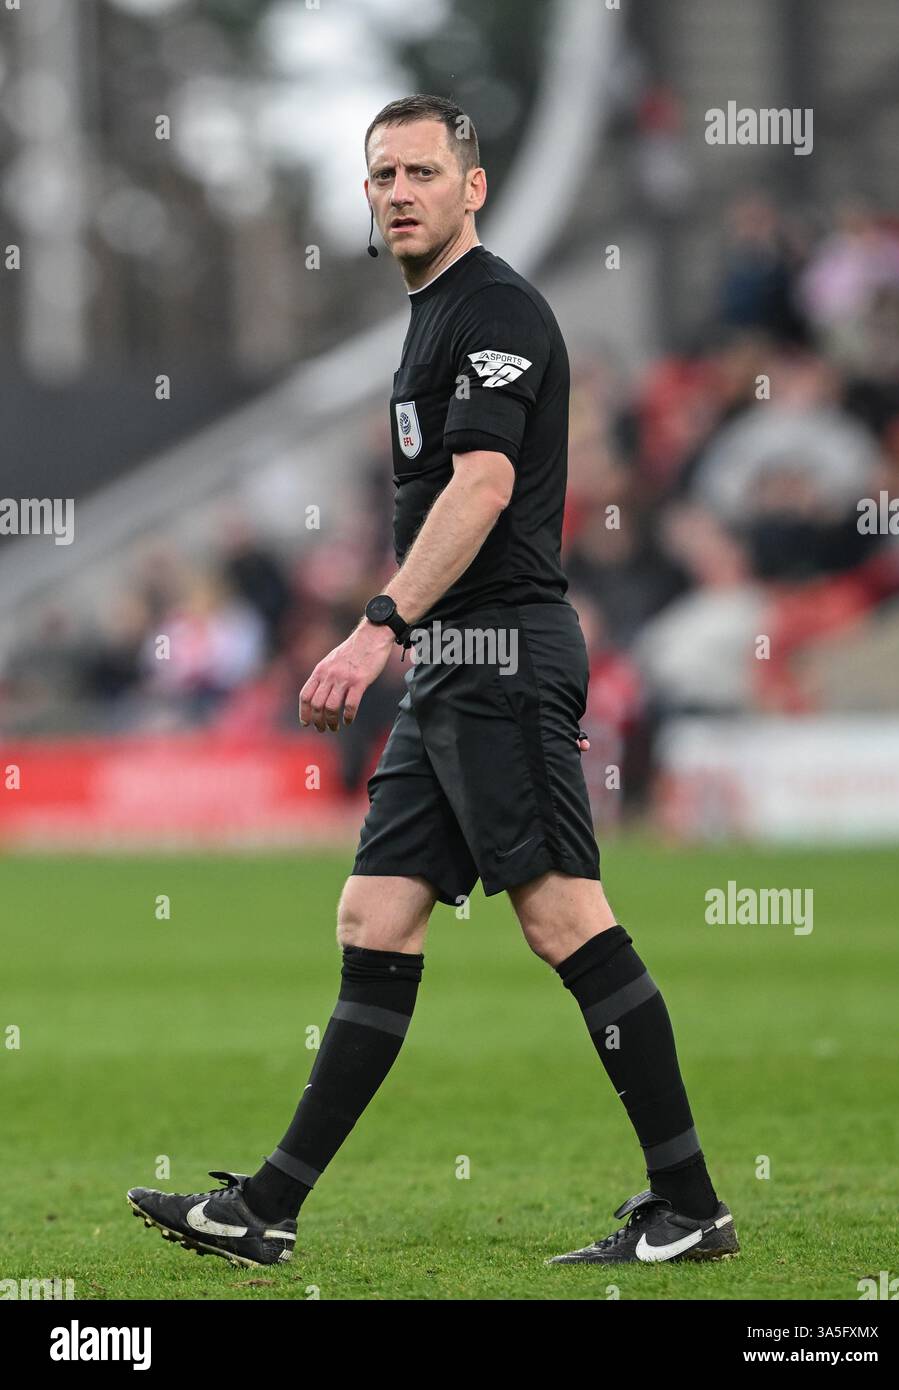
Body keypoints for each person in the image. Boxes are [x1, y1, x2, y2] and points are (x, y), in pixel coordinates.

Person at [127, 94, 738, 1271]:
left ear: (474, 186)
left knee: (564, 919)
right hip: (452, 671)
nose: (398, 189)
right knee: (375, 912)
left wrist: (375, 628)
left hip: (498, 658)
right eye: (380, 174)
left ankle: (690, 1203)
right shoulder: (427, 319)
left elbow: (484, 487)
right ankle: (267, 1207)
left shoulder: (495, 306)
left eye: (420, 170)